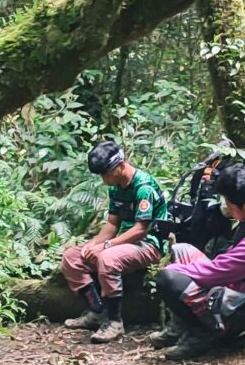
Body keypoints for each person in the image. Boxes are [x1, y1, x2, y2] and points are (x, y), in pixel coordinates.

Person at [152, 164, 245, 361]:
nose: (227, 209)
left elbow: (215, 272)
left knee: (168, 278)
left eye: (230, 205)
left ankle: (205, 333)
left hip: (240, 304)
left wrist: (175, 270)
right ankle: (179, 327)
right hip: (234, 278)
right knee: (181, 249)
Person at [59, 138, 166, 342]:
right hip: (122, 241)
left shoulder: (143, 187)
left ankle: (115, 322)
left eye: (105, 174)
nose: (103, 179)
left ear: (120, 166)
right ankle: (97, 311)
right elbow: (112, 224)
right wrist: (93, 245)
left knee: (107, 259)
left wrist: (105, 247)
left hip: (149, 244)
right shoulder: (115, 187)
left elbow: (140, 230)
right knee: (72, 257)